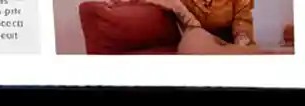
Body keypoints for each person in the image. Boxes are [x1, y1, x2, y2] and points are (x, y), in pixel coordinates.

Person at [107, 0, 290, 54]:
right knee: (194, 41)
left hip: (230, 43)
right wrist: (181, 11)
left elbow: (243, 23)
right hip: (195, 37)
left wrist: (242, 42)